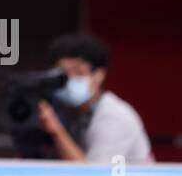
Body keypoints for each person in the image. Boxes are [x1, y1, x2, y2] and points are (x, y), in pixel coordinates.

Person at [37, 33, 154, 165]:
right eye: (63, 75)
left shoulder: (114, 116)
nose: (70, 80)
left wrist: (56, 131)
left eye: (78, 72)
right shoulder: (69, 110)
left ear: (99, 75)